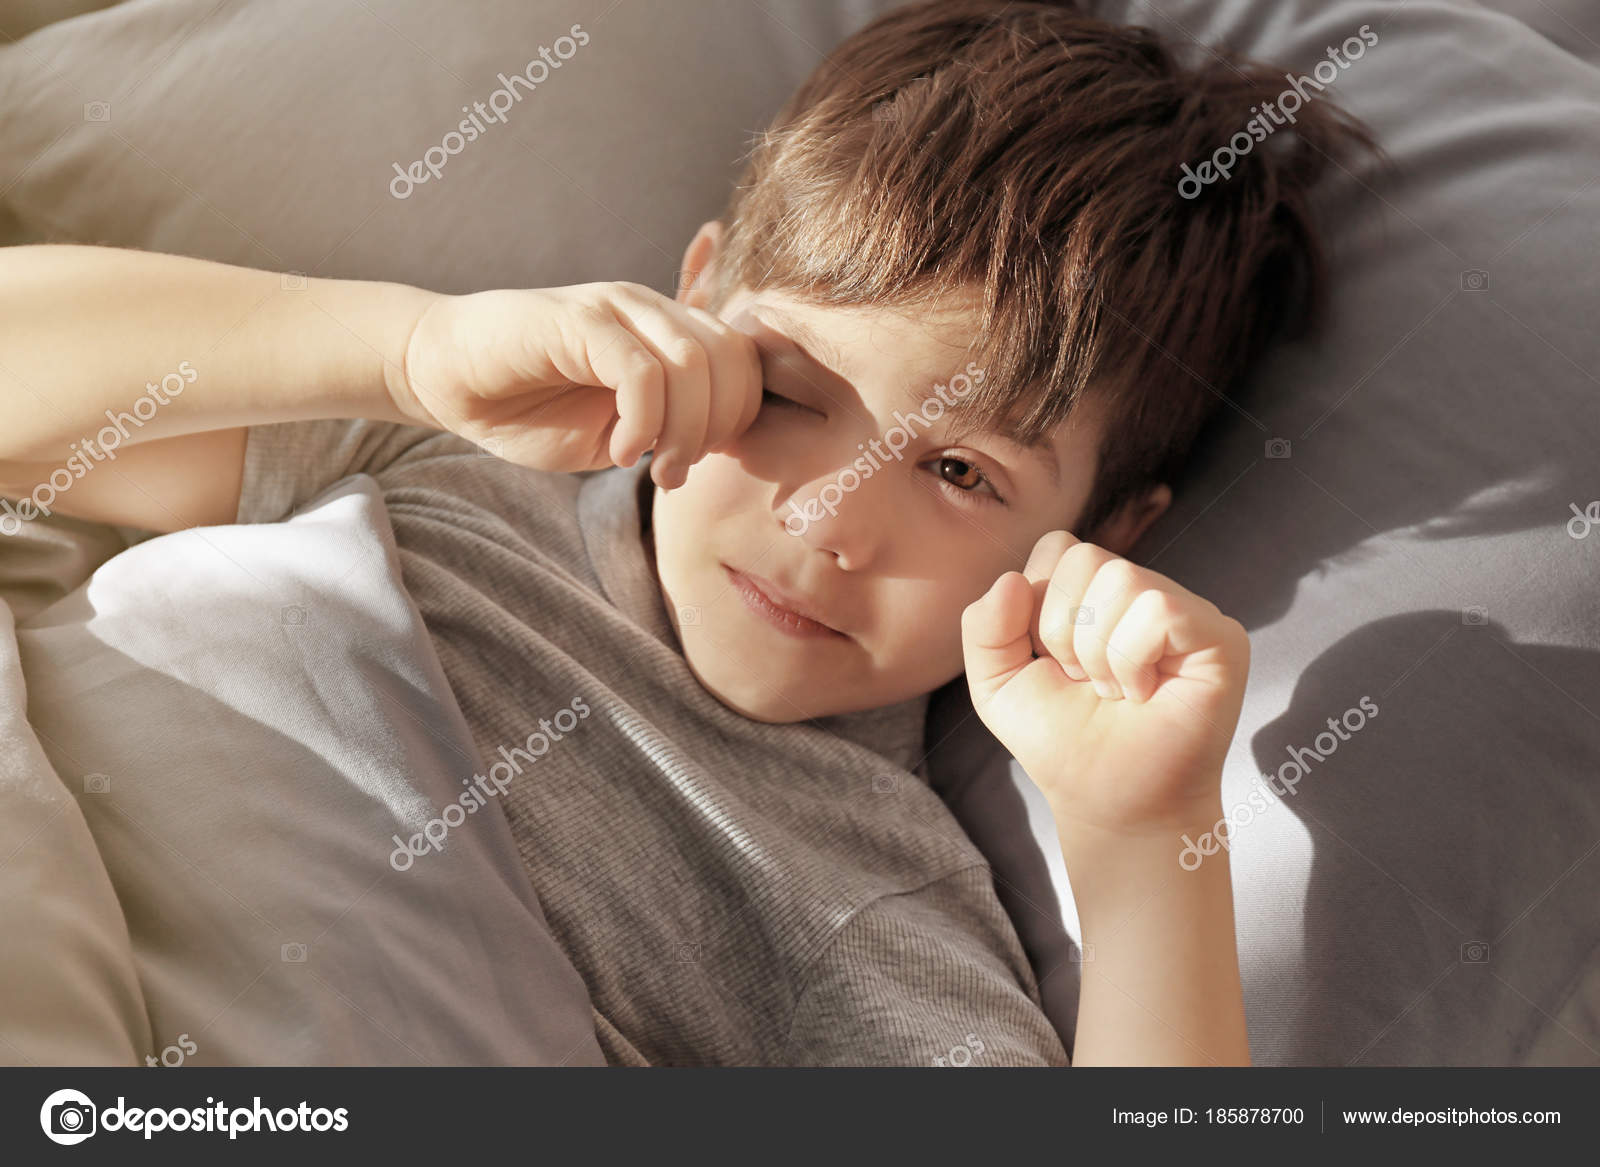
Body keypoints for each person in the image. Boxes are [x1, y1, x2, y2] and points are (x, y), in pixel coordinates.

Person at [0, 0, 1374, 1064]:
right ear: (698, 289)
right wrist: (410, 354)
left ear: (1099, 539)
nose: (831, 518)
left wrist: (1145, 845)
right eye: (791, 393)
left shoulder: (876, 910)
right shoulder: (443, 456)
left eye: (960, 470)